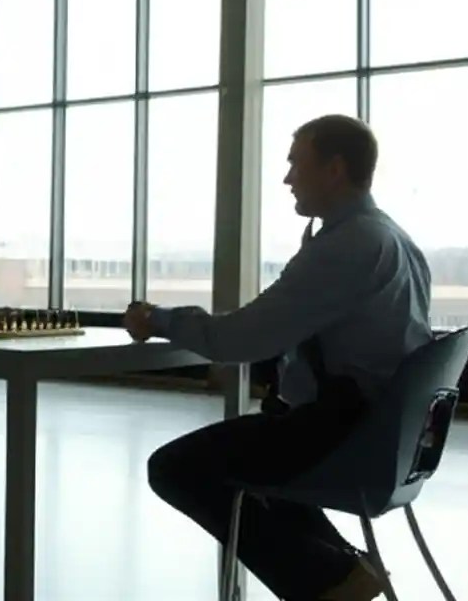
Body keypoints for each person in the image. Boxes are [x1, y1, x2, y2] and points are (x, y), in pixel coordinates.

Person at [128, 114, 432, 601]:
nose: (288, 178)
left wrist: (158, 318)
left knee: (175, 467)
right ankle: (343, 571)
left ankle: (327, 583)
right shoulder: (392, 238)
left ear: (333, 170)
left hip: (348, 433)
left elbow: (240, 341)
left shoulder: (349, 246)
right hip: (388, 436)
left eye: (296, 164)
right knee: (259, 455)